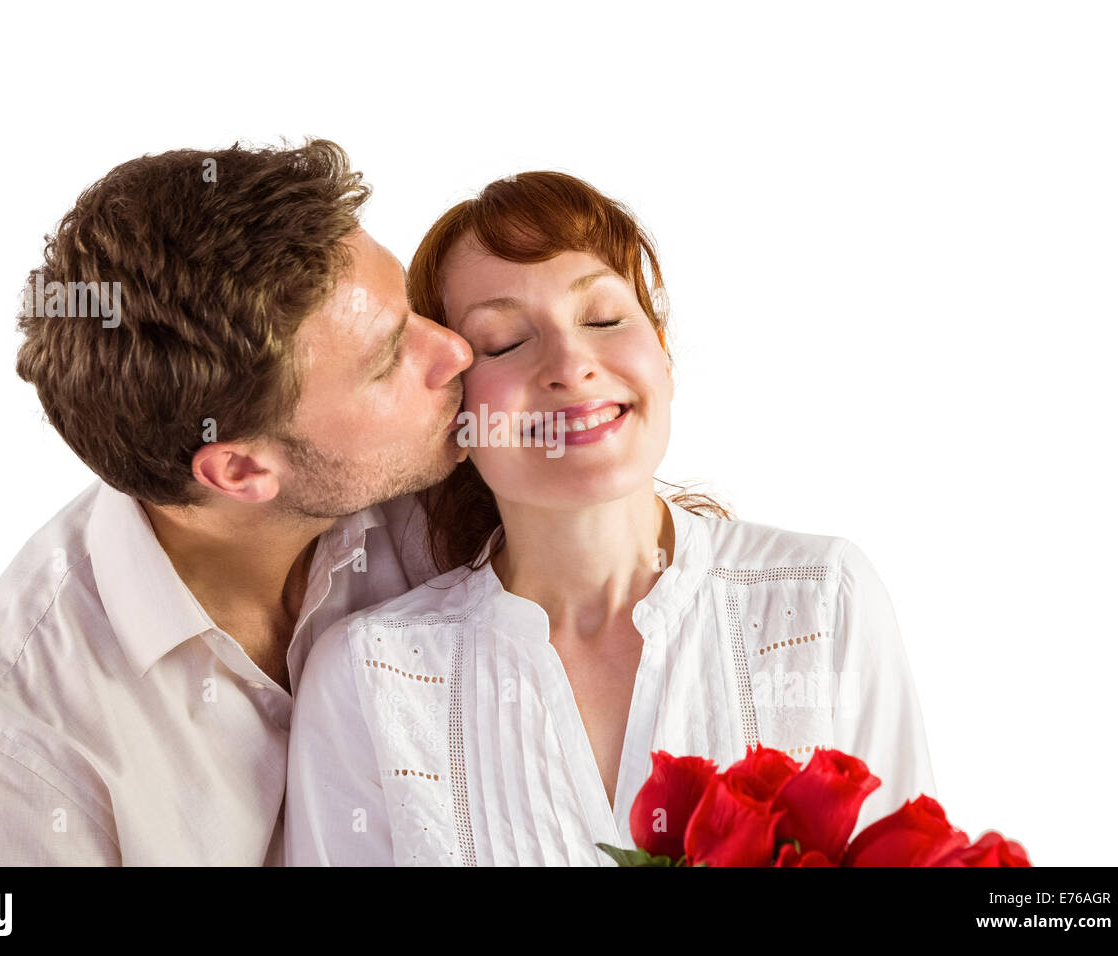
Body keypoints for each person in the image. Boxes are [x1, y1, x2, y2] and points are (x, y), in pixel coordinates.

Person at [287, 170, 938, 866]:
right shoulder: (370, 675)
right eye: (504, 341)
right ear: (455, 416)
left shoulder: (820, 598)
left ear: (662, 354)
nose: (571, 364)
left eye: (603, 319)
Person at [0, 139, 473, 865]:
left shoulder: (439, 485)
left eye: (411, 309)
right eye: (389, 359)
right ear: (238, 470)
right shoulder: (13, 760)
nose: (454, 350)